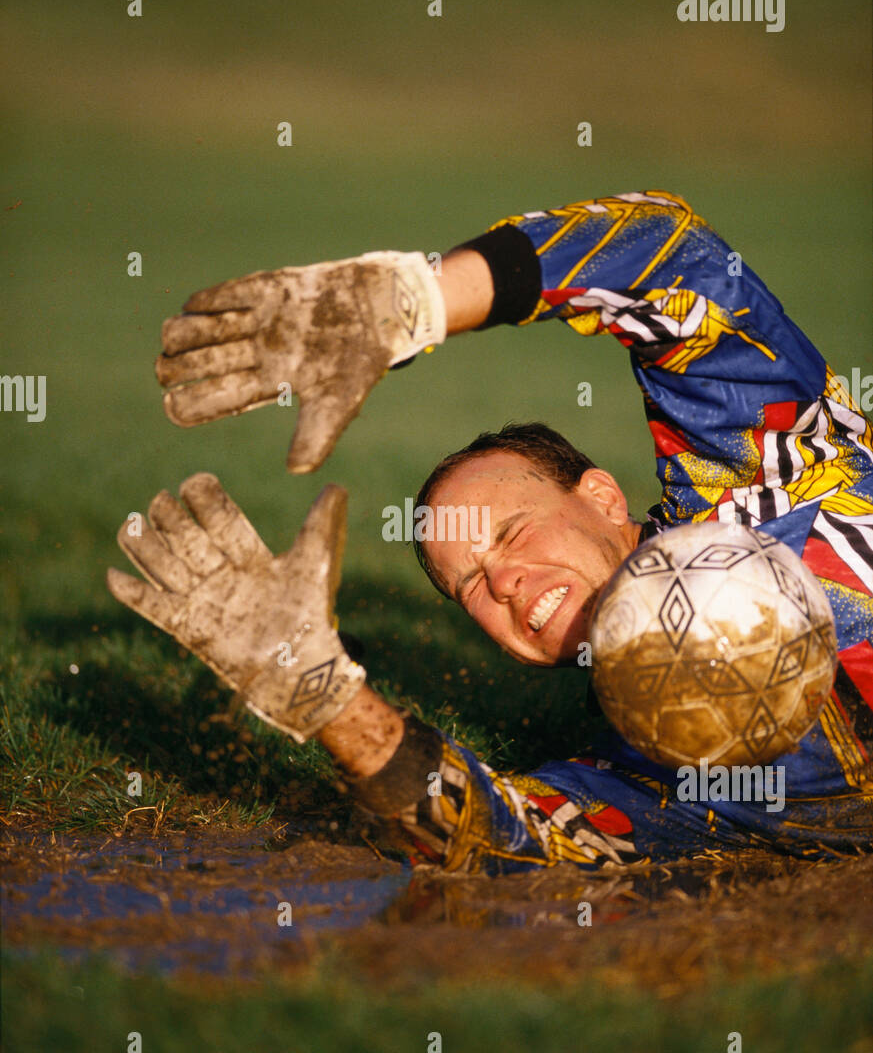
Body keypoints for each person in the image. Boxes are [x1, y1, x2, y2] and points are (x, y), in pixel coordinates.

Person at [108, 190, 873, 873]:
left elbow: (671, 263)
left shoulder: (757, 480)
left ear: (603, 497)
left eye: (509, 534)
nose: (502, 581)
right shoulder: (666, 771)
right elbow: (500, 834)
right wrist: (320, 693)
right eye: (469, 583)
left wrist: (407, 306)